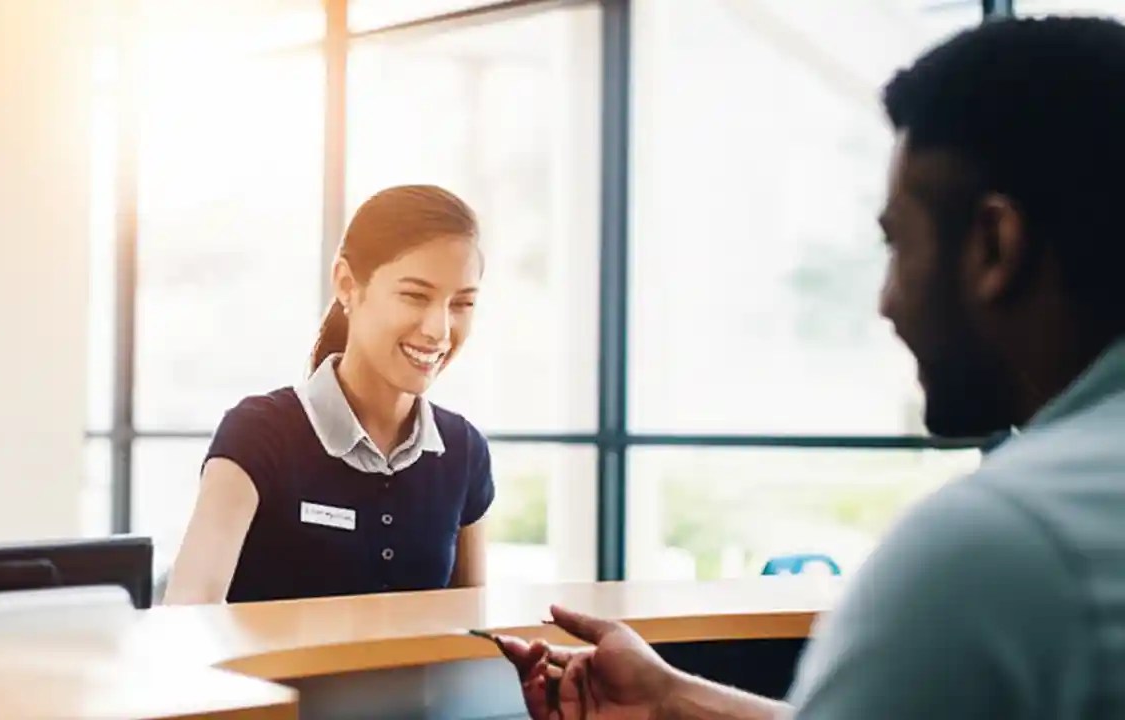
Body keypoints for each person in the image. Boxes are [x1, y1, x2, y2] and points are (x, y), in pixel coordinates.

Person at [499, 15, 1125, 720]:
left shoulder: (993, 552)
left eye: (897, 245)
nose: (888, 303)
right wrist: (672, 699)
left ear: (994, 246)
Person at [163, 184, 494, 605]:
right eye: (415, 296)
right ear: (346, 284)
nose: (439, 330)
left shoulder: (464, 452)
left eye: (462, 304)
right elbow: (188, 616)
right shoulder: (259, 435)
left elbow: (472, 633)